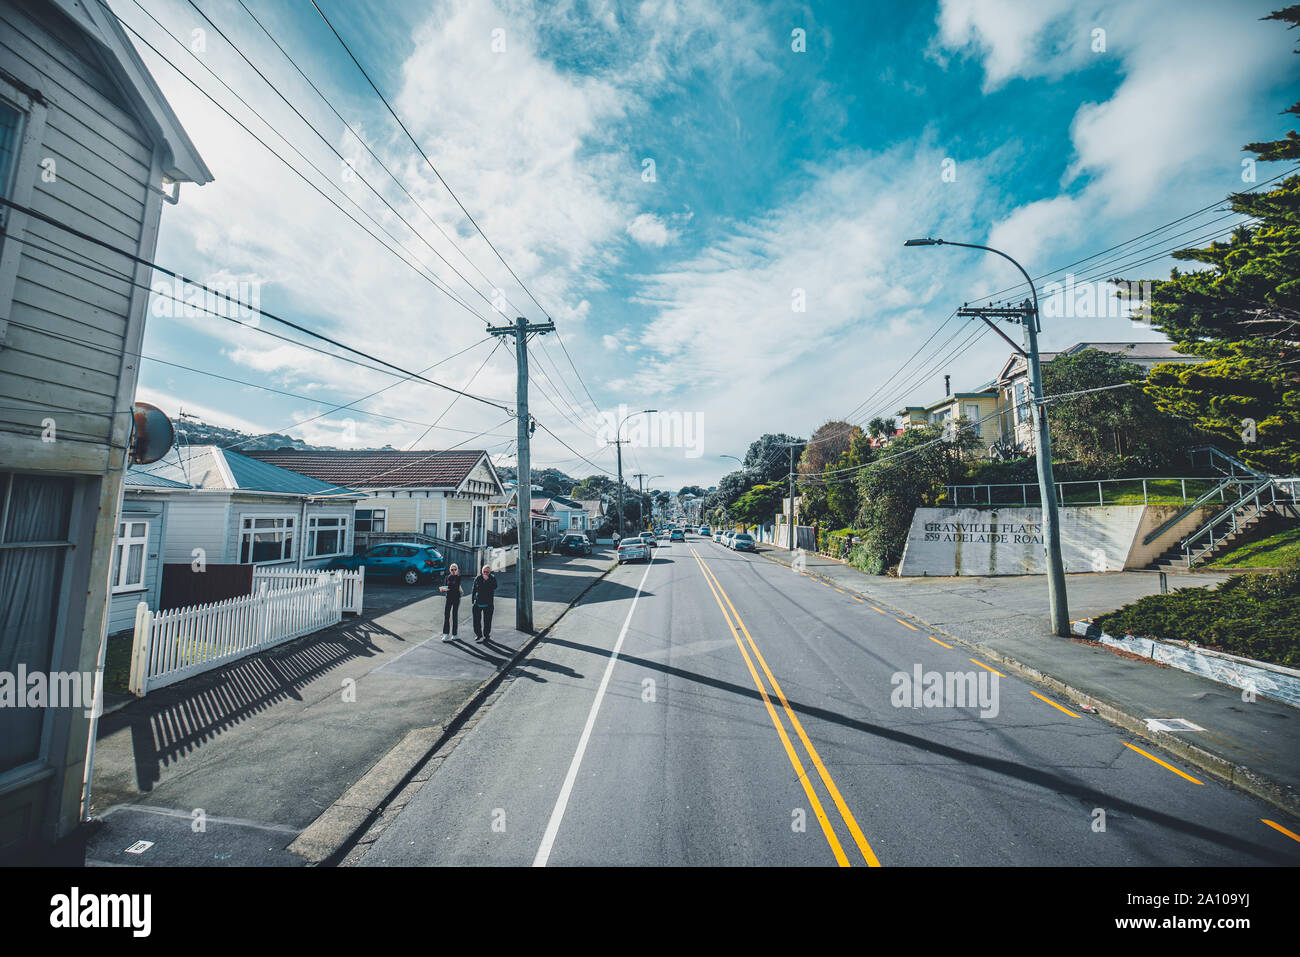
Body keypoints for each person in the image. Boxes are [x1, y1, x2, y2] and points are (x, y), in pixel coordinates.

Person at [471, 564, 497, 643]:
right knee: (476, 620)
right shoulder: (478, 578)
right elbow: (474, 589)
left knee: (487, 621)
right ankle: (478, 635)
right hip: (478, 602)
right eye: (484, 572)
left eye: (487, 572)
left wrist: (487, 580)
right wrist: (473, 600)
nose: (485, 573)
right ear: (482, 571)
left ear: (490, 572)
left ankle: (486, 635)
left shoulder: (492, 578)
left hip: (488, 603)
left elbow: (494, 586)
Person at [439, 563, 461, 642]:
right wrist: (442, 589)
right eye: (452, 569)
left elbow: (455, 587)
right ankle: (445, 634)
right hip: (448, 598)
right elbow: (445, 586)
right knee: (446, 615)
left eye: (455, 569)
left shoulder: (458, 577)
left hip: (456, 598)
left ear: (457, 570)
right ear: (450, 570)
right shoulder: (447, 577)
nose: (453, 571)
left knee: (454, 615)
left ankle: (454, 634)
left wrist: (448, 588)